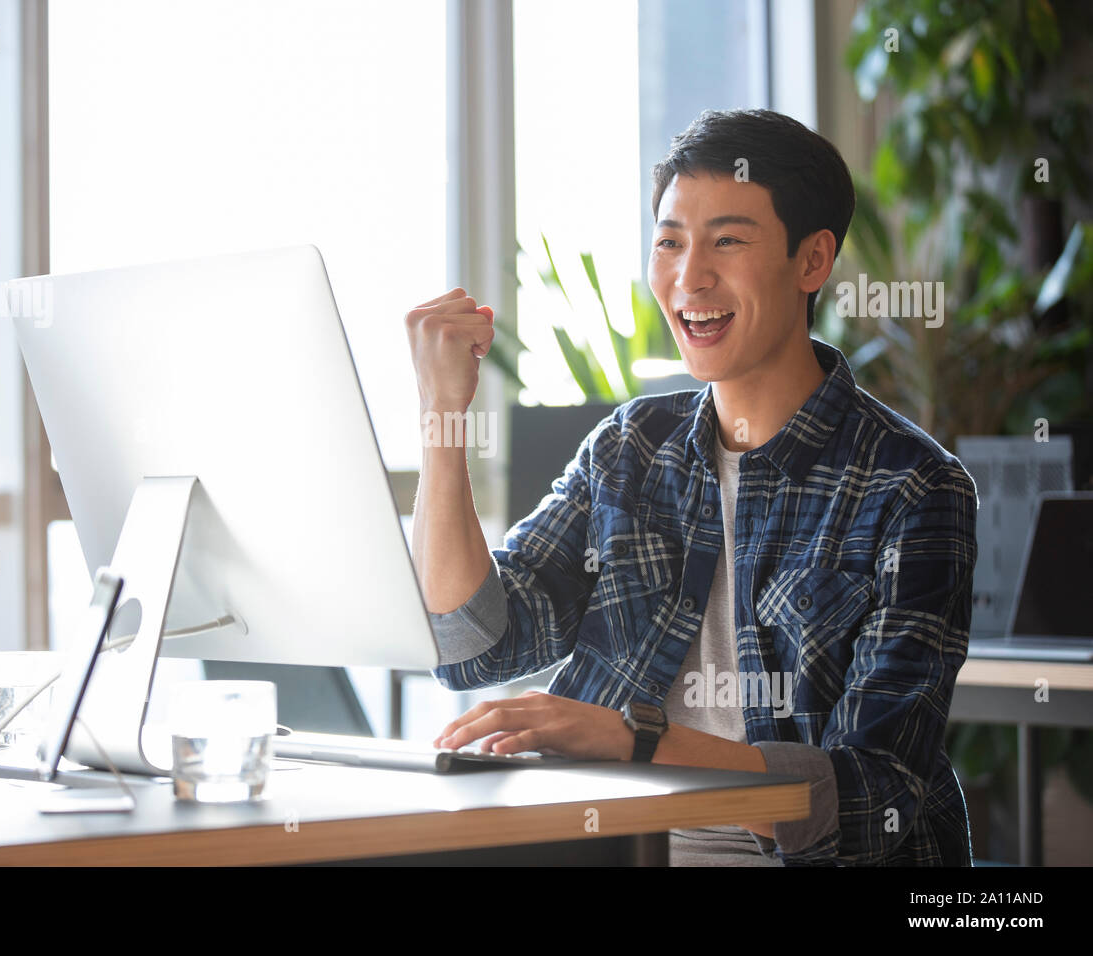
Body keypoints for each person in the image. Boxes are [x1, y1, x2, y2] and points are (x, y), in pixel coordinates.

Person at [403, 108, 976, 867]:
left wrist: (635, 740)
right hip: (615, 849)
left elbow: (875, 796)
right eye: (670, 241)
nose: (690, 277)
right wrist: (443, 415)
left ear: (813, 262)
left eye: (728, 241)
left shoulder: (913, 487)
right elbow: (470, 646)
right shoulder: (632, 448)